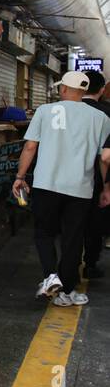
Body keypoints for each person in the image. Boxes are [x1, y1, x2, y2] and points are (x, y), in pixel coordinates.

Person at [12, 70, 110, 305]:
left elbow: (30, 147)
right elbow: (103, 158)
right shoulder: (102, 119)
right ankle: (67, 290)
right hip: (81, 188)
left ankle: (50, 276)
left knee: (44, 232)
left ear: (64, 89)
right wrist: (106, 188)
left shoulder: (45, 111)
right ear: (84, 91)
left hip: (47, 184)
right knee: (73, 238)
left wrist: (20, 176)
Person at [81, 71, 110, 280]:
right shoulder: (106, 113)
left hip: (64, 177)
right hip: (96, 177)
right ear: (101, 90)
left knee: (71, 223)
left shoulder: (60, 110)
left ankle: (66, 267)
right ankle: (90, 263)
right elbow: (105, 155)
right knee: (94, 222)